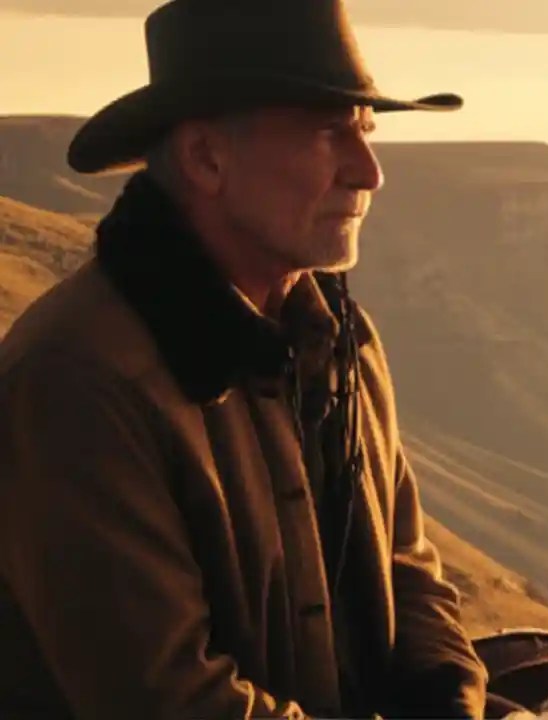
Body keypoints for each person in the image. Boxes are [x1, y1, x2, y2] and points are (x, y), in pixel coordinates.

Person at [0, 0, 508, 717]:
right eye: (329, 133)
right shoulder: (76, 382)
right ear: (207, 159)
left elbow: (407, 571)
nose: (369, 174)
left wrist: (451, 703)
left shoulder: (341, 340)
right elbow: (166, 698)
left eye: (366, 131)